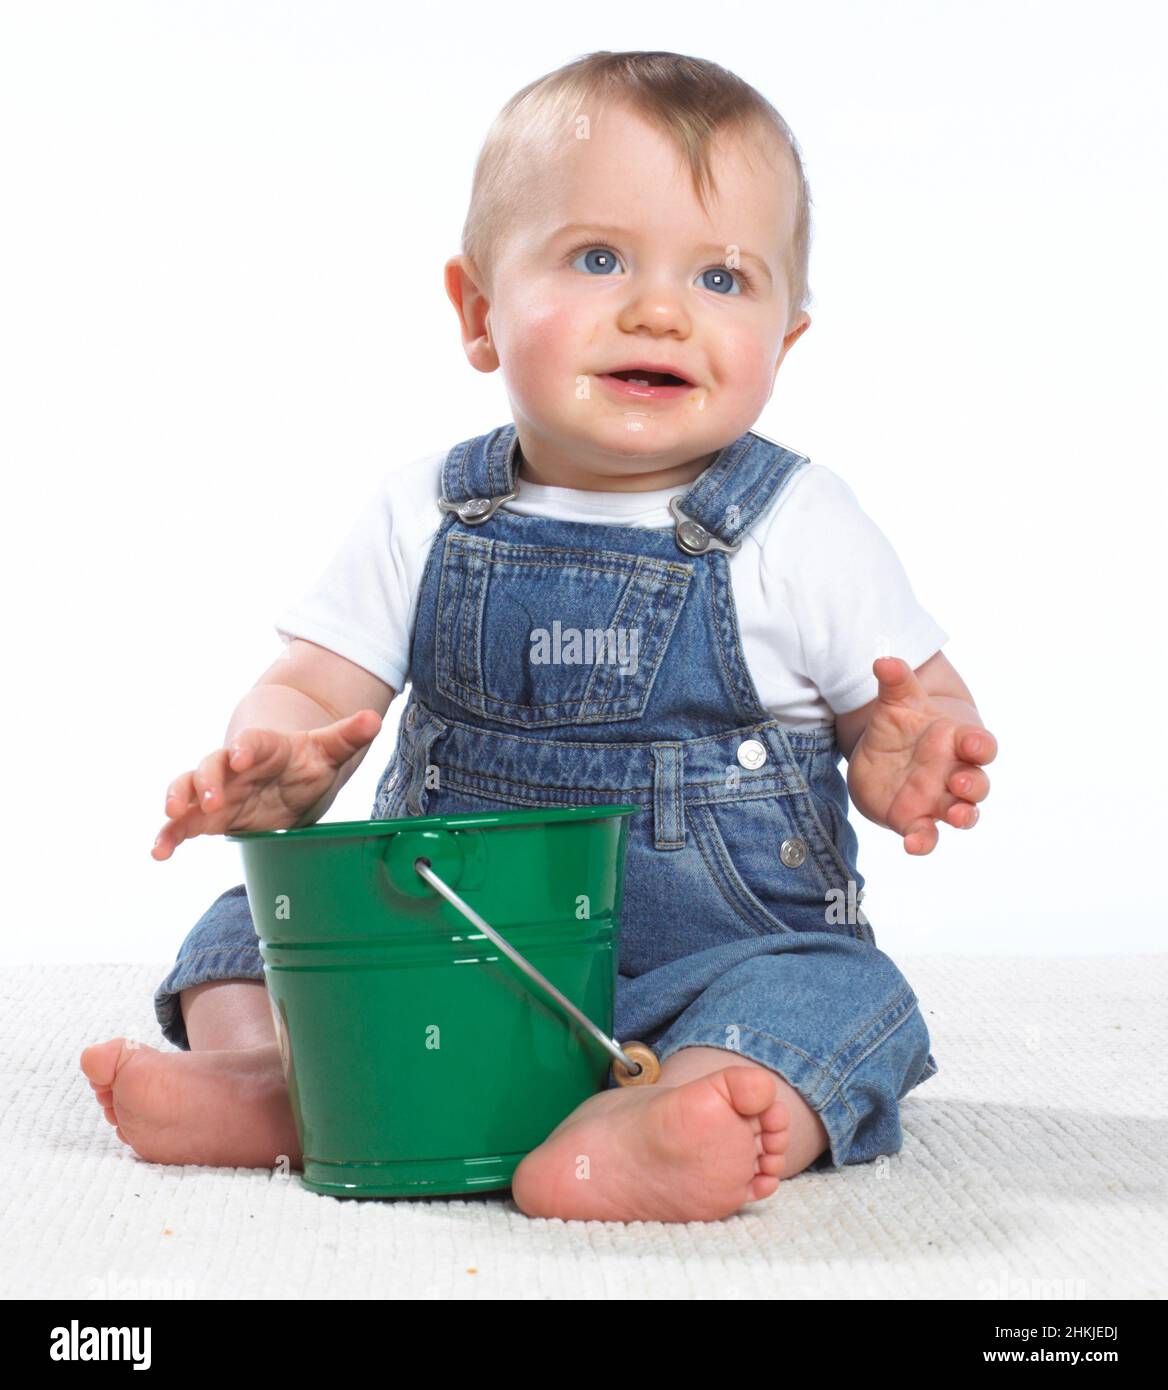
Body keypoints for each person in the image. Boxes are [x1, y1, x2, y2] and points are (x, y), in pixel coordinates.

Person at [81, 50, 997, 1223]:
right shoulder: (427, 510)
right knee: (249, 922)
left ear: (785, 338)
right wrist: (281, 755)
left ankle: (659, 1119)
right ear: (477, 310)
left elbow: (911, 694)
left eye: (722, 276)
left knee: (841, 998)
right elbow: (314, 681)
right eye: (599, 258)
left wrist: (912, 746)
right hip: (437, 954)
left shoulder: (799, 524)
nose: (659, 307)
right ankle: (280, 1075)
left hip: (708, 971)